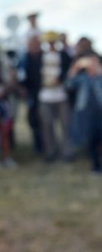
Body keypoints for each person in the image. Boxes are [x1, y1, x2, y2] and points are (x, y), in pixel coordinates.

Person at [35, 33, 73, 162]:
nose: (51, 44)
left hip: (61, 96)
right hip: (45, 96)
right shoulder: (40, 55)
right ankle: (50, 152)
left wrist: (60, 79)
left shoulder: (63, 55)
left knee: (66, 125)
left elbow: (70, 71)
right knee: (47, 126)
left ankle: (67, 152)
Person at [66, 41, 102, 174]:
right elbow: (69, 84)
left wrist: (98, 69)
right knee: (91, 138)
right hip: (87, 112)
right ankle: (95, 165)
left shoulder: (100, 76)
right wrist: (74, 69)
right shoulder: (81, 78)